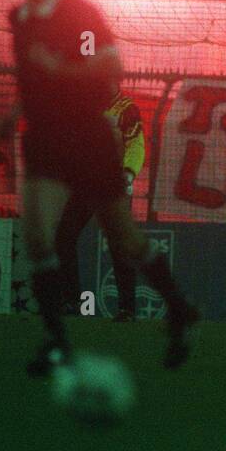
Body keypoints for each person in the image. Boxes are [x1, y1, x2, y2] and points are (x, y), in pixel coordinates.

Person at [0, 0, 197, 375]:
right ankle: (57, 342)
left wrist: (62, 69)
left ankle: (179, 309)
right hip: (45, 142)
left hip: (88, 139)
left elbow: (111, 66)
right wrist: (13, 115)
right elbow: (32, 79)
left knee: (126, 239)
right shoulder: (20, 19)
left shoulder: (78, 13)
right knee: (37, 236)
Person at [55, 88, 146, 321]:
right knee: (64, 236)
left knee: (119, 246)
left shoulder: (126, 108)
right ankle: (71, 302)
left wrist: (127, 174)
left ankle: (127, 309)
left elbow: (136, 145)